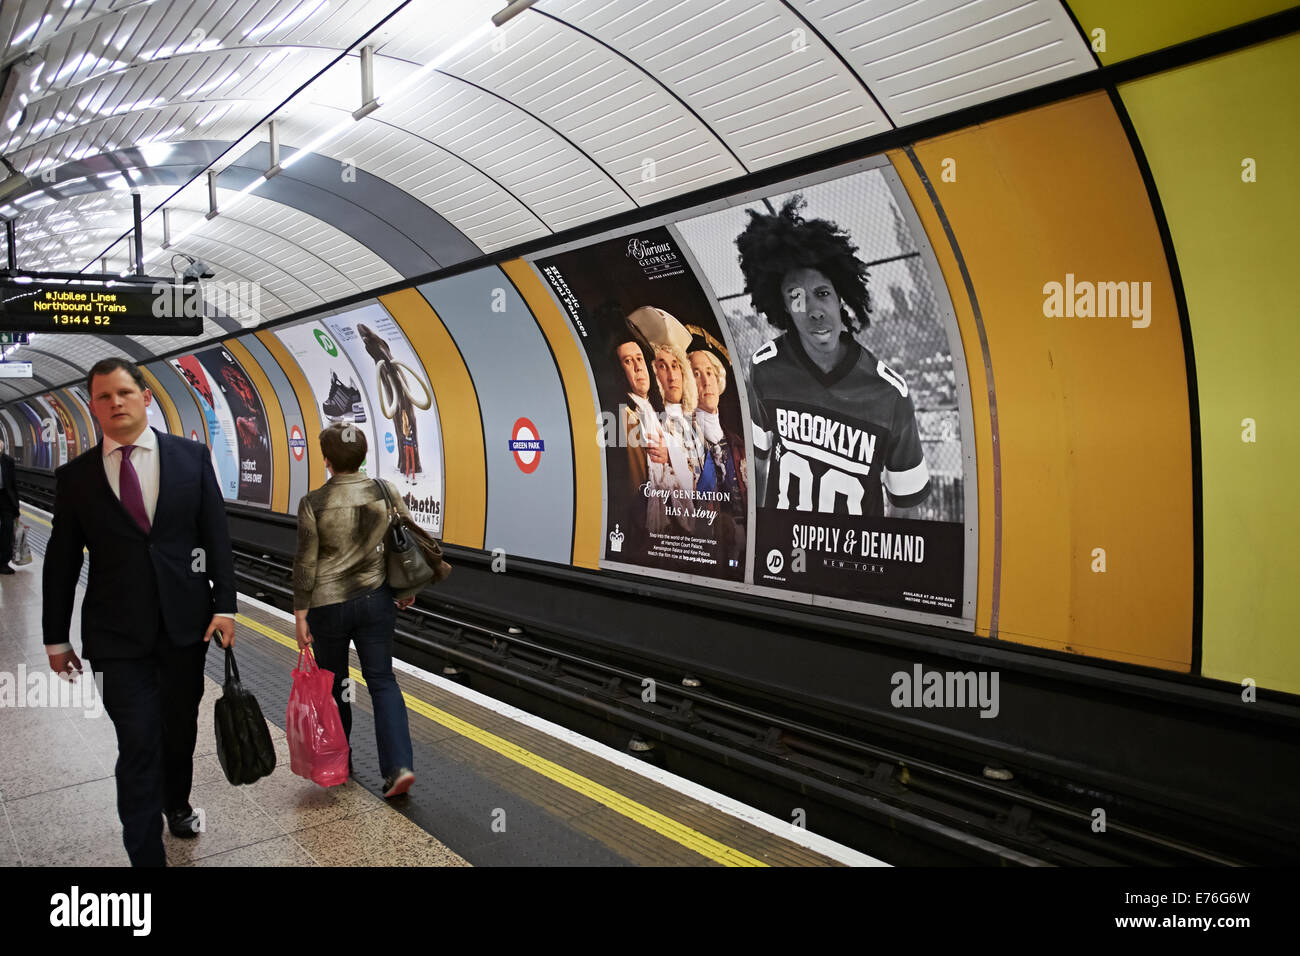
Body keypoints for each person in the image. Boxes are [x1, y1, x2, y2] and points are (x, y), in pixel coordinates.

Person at [43, 358, 236, 867]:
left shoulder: (190, 459)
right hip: (113, 637)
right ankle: (145, 856)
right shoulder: (76, 477)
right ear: (93, 407)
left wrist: (227, 606)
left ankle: (177, 801)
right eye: (103, 397)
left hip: (184, 628)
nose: (115, 403)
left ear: (146, 397)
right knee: (138, 740)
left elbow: (217, 539)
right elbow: (61, 562)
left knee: (179, 728)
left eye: (124, 392)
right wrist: (55, 637)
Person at [736, 196, 931, 516]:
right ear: (783, 305)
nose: (813, 311)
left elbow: (907, 508)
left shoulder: (889, 393)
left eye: (822, 293)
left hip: (851, 563)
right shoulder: (765, 368)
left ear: (840, 294)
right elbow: (757, 465)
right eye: (796, 297)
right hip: (781, 556)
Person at [292, 422, 418, 798]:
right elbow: (405, 539)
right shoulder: (384, 490)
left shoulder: (313, 502)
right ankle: (398, 767)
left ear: (327, 460)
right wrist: (406, 586)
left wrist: (300, 615)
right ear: (363, 456)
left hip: (328, 606)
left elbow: (305, 564)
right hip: (375, 600)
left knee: (336, 685)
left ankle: (340, 763)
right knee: (382, 681)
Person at [688, 340, 747, 566]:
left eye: (709, 372)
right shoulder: (685, 442)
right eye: (696, 374)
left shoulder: (738, 444)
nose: (706, 381)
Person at [0, 436, 19, 574]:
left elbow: (13, 485)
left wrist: (16, 506)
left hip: (6, 499)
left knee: (7, 531)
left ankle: (3, 563)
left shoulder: (8, 461)